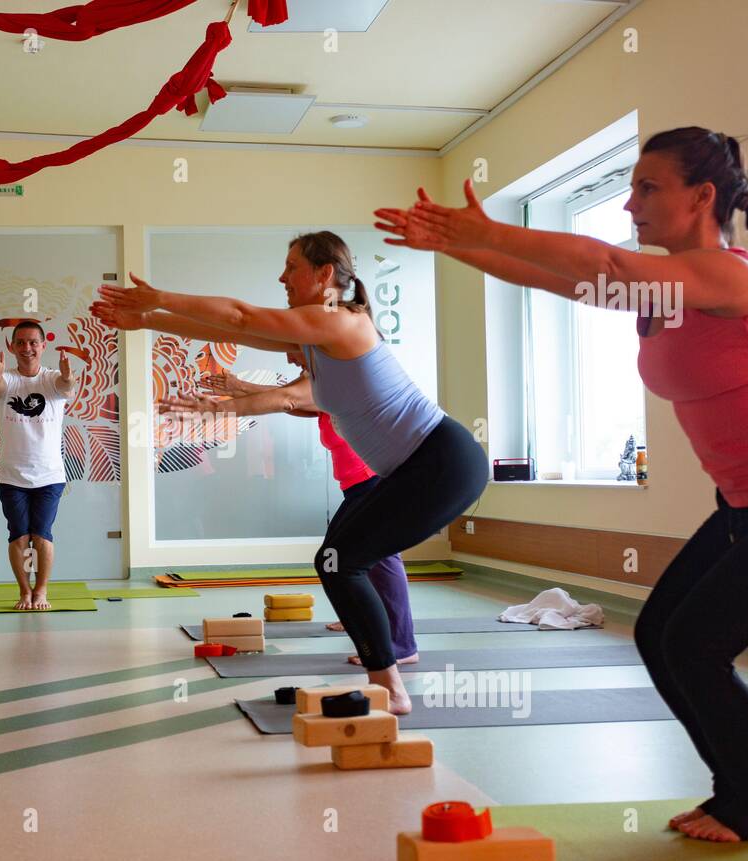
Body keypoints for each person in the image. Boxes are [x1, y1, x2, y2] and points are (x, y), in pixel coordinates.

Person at [377, 127, 748, 842]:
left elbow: (604, 259)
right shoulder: (665, 291)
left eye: (648, 188)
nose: (630, 205)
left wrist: (484, 228)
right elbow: (560, 276)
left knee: (695, 645)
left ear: (703, 196)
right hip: (744, 502)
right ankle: (747, 789)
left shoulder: (732, 276)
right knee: (662, 635)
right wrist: (455, 244)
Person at [93, 231, 487, 713]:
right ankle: (388, 675)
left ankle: (391, 682)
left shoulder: (340, 319)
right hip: (414, 469)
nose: (282, 277)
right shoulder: (322, 346)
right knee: (335, 560)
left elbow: (239, 315)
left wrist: (158, 298)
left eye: (292, 267)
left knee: (344, 560)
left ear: (324, 275)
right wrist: (148, 320)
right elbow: (236, 333)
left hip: (440, 461)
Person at [158, 355, 418, 675]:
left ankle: (401, 645)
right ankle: (365, 618)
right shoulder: (322, 381)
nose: (289, 357)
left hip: (373, 479)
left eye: (295, 350)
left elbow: (286, 399)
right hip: (359, 483)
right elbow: (296, 405)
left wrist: (217, 405)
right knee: (347, 557)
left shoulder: (334, 374)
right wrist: (239, 388)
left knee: (363, 557)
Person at [0, 321, 78, 610]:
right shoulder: (7, 379)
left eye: (33, 342)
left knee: (42, 534)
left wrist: (67, 377)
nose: (27, 348)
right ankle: (24, 591)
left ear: (42, 346)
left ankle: (41, 591)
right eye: (21, 343)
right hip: (11, 475)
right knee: (18, 535)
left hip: (49, 474)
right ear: (12, 347)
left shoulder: (52, 379)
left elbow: (65, 386)